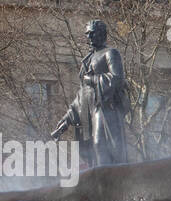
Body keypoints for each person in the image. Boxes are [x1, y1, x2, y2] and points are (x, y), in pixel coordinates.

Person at [51, 19, 128, 167]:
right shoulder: (88, 60)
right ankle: (101, 184)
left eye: (92, 33)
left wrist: (92, 79)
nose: (89, 37)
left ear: (102, 34)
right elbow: (83, 95)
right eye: (87, 34)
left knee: (102, 146)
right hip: (92, 112)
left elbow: (118, 79)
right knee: (94, 149)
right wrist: (66, 120)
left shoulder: (111, 53)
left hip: (106, 111)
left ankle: (110, 183)